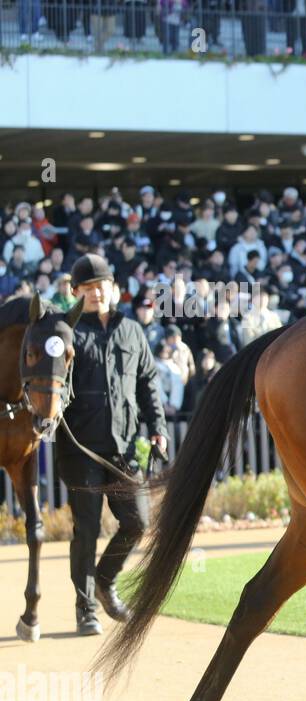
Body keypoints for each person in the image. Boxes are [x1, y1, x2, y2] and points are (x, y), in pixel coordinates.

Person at [59, 254, 168, 636]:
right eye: (86, 288)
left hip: (123, 447)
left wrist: (158, 428)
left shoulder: (132, 330)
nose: (95, 292)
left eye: (100, 285)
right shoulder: (65, 332)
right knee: (86, 529)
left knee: (138, 521)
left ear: (113, 288)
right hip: (79, 448)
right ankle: (84, 608)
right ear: (74, 293)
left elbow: (148, 381)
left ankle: (104, 581)